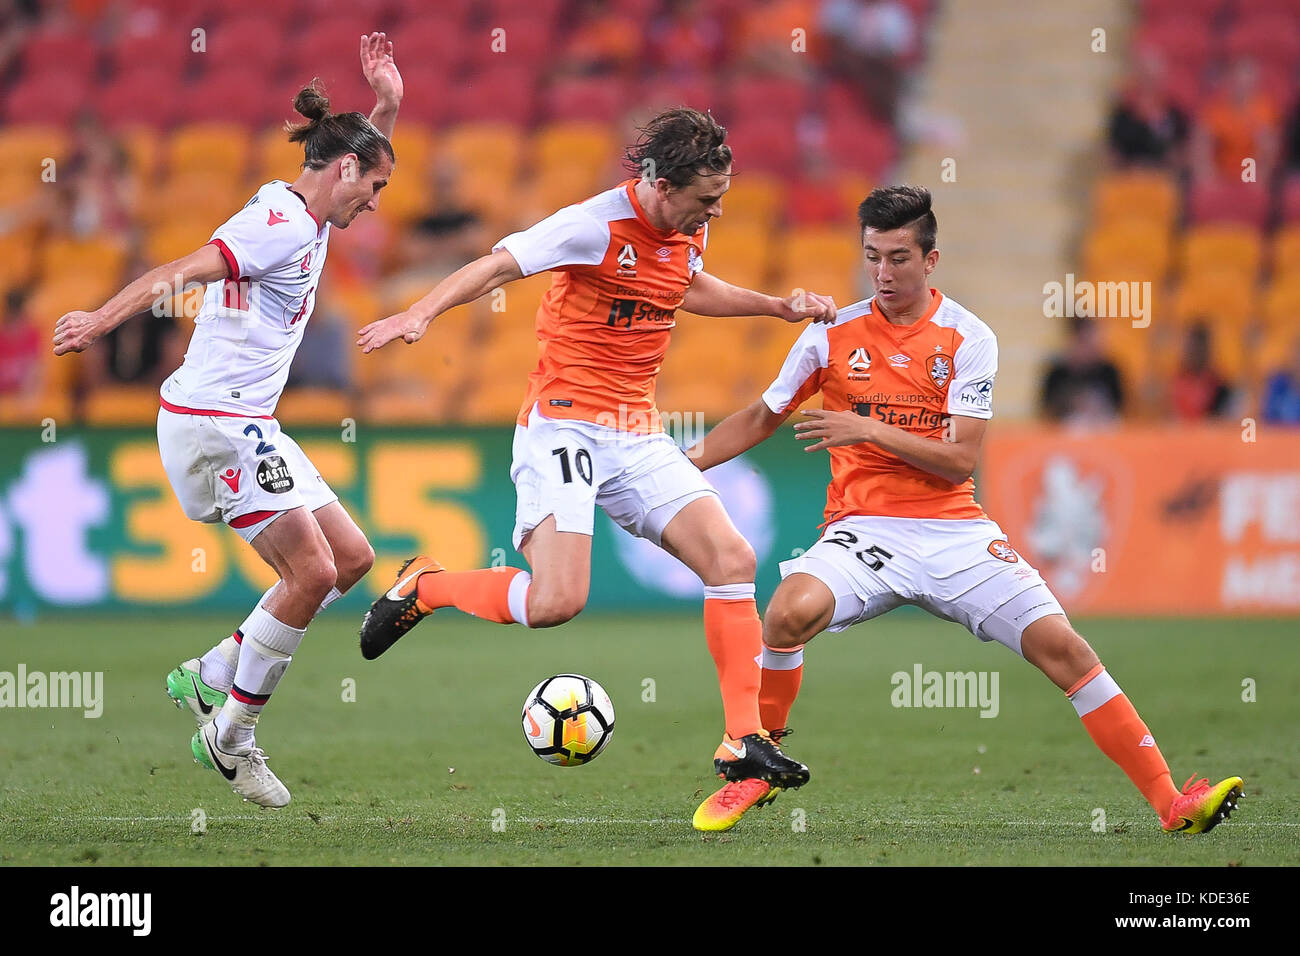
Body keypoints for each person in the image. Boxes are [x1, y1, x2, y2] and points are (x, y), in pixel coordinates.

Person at [686, 185, 1243, 833]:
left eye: (899, 258)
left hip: (954, 530)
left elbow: (958, 459)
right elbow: (760, 415)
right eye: (873, 257)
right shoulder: (829, 336)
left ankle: (1171, 803)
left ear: (931, 259)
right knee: (785, 614)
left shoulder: (969, 338)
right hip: (864, 531)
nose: (884, 273)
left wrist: (866, 430)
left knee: (1064, 649)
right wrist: (681, 465)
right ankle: (760, 766)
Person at [355, 107, 837, 831]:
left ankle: (743, 743)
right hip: (564, 423)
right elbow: (496, 264)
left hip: (635, 431)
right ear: (662, 184)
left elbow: (686, 286)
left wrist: (776, 308)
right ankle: (430, 586)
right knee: (556, 603)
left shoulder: (686, 227)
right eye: (706, 201)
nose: (715, 211)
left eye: (720, 200)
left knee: (732, 557)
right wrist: (419, 314)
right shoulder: (591, 226)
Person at [52, 34, 402, 808]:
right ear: (344, 170)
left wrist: (387, 107)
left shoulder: (310, 204)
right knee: (308, 573)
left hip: (248, 419)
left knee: (348, 559)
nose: (374, 203)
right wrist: (101, 320)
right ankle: (231, 736)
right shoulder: (276, 226)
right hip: (215, 421)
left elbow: (359, 156)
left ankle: (215, 670)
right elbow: (178, 271)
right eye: (372, 186)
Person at [1039, 315, 1125, 423]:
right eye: (1084, 342)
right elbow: (1045, 413)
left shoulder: (1109, 372)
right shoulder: (1057, 374)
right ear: (1072, 341)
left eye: (1093, 341)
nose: (1090, 348)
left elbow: (1124, 411)